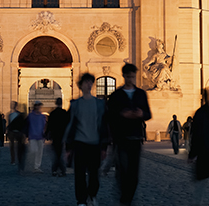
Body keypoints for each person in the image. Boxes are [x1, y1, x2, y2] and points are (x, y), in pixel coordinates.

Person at [108, 63, 152, 206]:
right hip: (121, 138)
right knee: (123, 170)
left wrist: (141, 114)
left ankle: (128, 197)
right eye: (128, 76)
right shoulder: (116, 95)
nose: (130, 79)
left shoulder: (141, 94)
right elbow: (109, 116)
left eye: (132, 76)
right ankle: (125, 198)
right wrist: (122, 114)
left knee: (134, 172)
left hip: (136, 137)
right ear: (124, 76)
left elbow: (148, 114)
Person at [65, 73, 109, 206]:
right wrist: (68, 147)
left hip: (95, 143)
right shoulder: (75, 104)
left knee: (94, 174)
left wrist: (104, 147)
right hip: (80, 143)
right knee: (79, 174)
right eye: (86, 82)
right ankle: (81, 200)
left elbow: (104, 125)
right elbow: (70, 126)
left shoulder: (99, 104)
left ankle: (92, 194)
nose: (89, 84)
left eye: (91, 82)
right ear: (81, 85)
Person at [46, 96, 70, 176]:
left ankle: (55, 169)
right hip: (63, 135)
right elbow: (67, 124)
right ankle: (61, 170)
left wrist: (47, 133)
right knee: (60, 153)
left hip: (55, 135)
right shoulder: (64, 113)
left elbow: (49, 125)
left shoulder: (53, 113)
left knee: (57, 153)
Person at [26, 101, 48, 172]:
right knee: (34, 150)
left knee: (39, 152)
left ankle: (37, 166)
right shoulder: (30, 116)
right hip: (32, 135)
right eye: (37, 105)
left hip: (40, 136)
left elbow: (45, 126)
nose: (38, 107)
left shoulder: (42, 116)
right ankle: (33, 164)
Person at [7, 101, 26, 169]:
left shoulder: (19, 114)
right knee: (12, 147)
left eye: (13, 105)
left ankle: (18, 159)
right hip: (11, 132)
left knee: (19, 147)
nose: (12, 106)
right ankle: (13, 160)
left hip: (18, 132)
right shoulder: (9, 114)